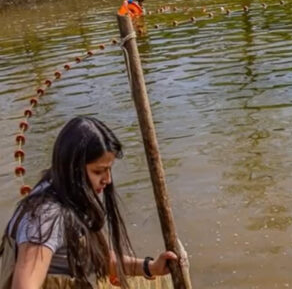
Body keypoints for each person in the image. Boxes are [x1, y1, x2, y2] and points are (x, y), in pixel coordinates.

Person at [1, 116, 178, 287]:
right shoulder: (45, 218)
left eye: (109, 170)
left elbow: (95, 260)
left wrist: (150, 267)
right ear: (74, 169)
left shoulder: (61, 190)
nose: (107, 179)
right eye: (98, 171)